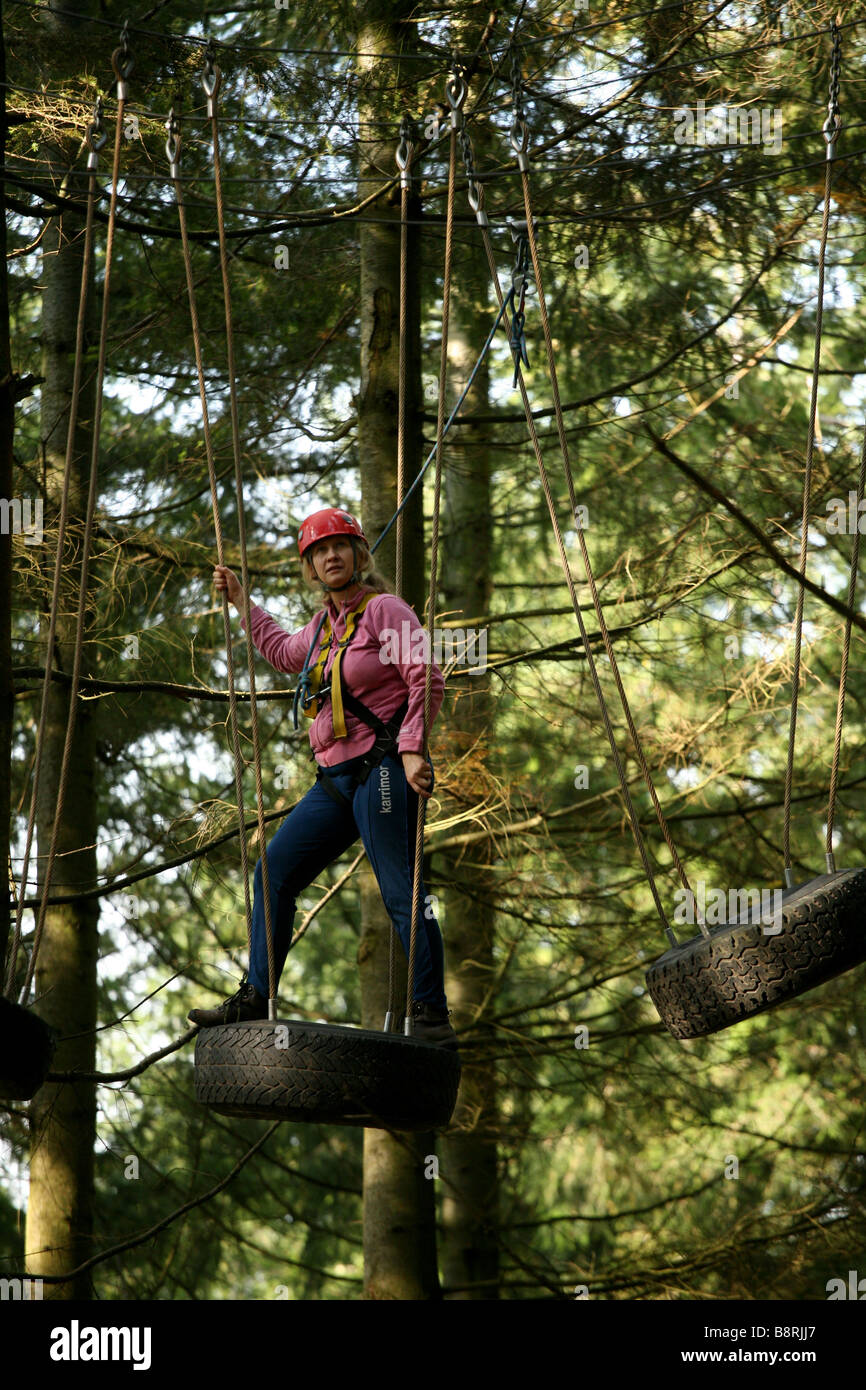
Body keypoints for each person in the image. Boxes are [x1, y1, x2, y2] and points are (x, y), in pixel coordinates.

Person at [188, 506, 457, 1048]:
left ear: (359, 555)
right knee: (272, 873)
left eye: (339, 546)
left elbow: (426, 676)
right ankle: (256, 995)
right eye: (318, 551)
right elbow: (284, 653)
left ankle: (431, 1013)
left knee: (403, 892)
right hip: (333, 780)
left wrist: (410, 751)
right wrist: (243, 601)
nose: (330, 556)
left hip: (381, 770)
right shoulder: (320, 629)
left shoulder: (386, 610)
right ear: (310, 567)